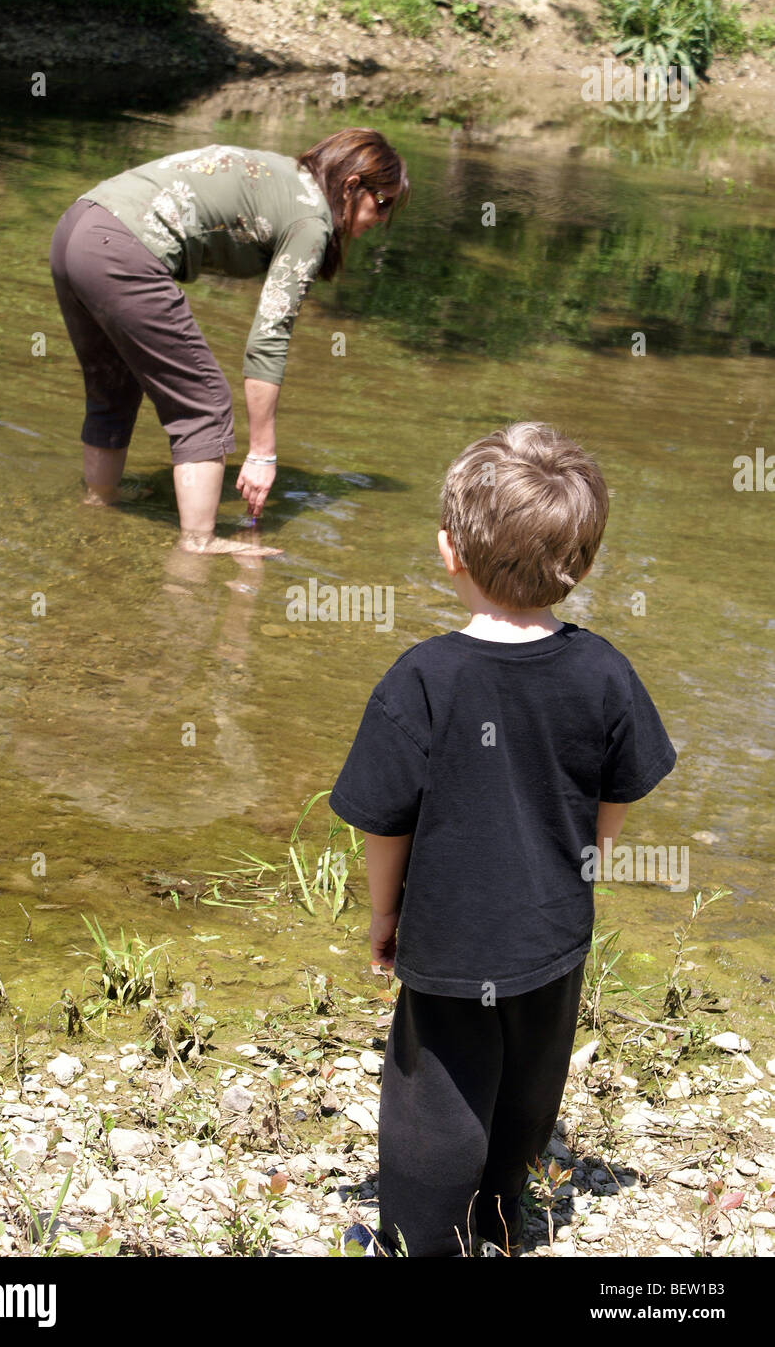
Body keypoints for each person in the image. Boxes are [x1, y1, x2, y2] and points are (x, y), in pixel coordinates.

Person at [329, 421, 677, 1257]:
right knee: (530, 1082)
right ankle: (499, 1221)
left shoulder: (422, 677)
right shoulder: (603, 671)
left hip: (451, 932)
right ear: (581, 562)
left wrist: (384, 915)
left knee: (436, 1094)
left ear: (450, 551)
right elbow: (617, 795)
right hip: (554, 927)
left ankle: (419, 1243)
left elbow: (385, 820)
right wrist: (578, 861)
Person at [49, 128, 409, 554]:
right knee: (204, 402)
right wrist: (261, 454)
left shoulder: (286, 179)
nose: (383, 218)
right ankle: (199, 543)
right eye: (382, 202)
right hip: (120, 247)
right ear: (351, 185)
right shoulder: (311, 219)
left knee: (113, 385)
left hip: (76, 227)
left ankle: (98, 502)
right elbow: (269, 339)